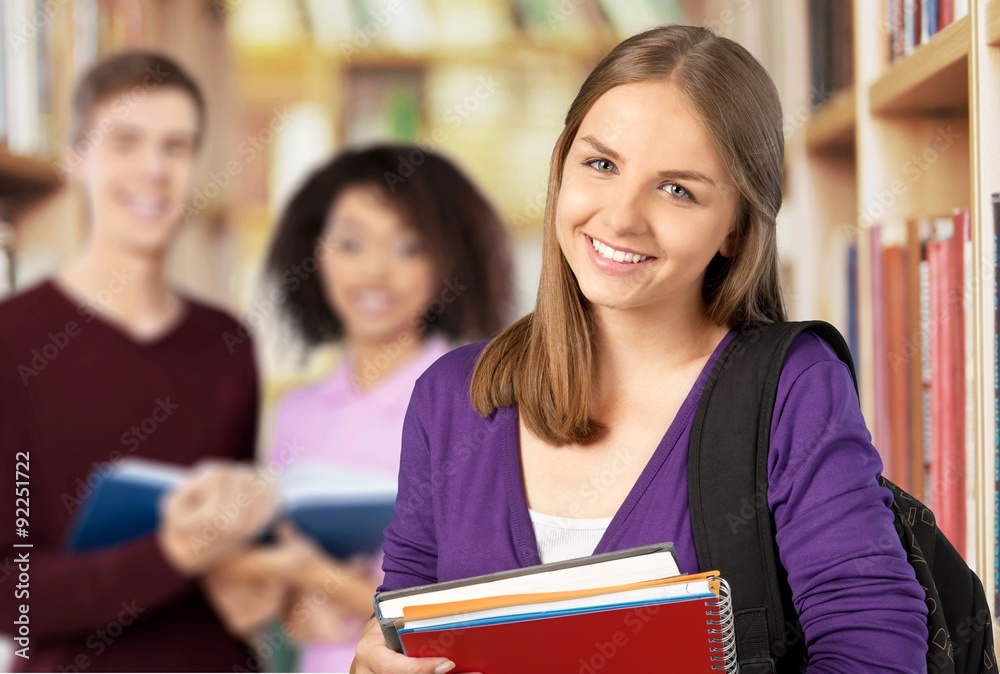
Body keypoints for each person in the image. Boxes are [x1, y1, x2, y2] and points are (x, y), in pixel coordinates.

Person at [351, 25, 928, 674]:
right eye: (601, 164)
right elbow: (403, 622)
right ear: (561, 169)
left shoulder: (793, 387)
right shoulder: (452, 398)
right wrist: (374, 660)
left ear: (736, 230)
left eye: (677, 189)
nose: (622, 218)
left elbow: (875, 649)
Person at [0, 51, 276, 672]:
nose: (153, 169)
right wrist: (171, 554)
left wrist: (267, 576)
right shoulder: (10, 342)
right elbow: (10, 595)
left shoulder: (228, 343)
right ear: (76, 159)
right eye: (125, 143)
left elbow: (233, 555)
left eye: (175, 147)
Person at [200, 145, 514, 672]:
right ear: (313, 252)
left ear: (448, 260)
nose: (374, 271)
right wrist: (290, 605)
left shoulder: (477, 401)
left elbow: (481, 602)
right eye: (349, 243)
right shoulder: (297, 411)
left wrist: (320, 578)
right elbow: (277, 590)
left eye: (408, 246)